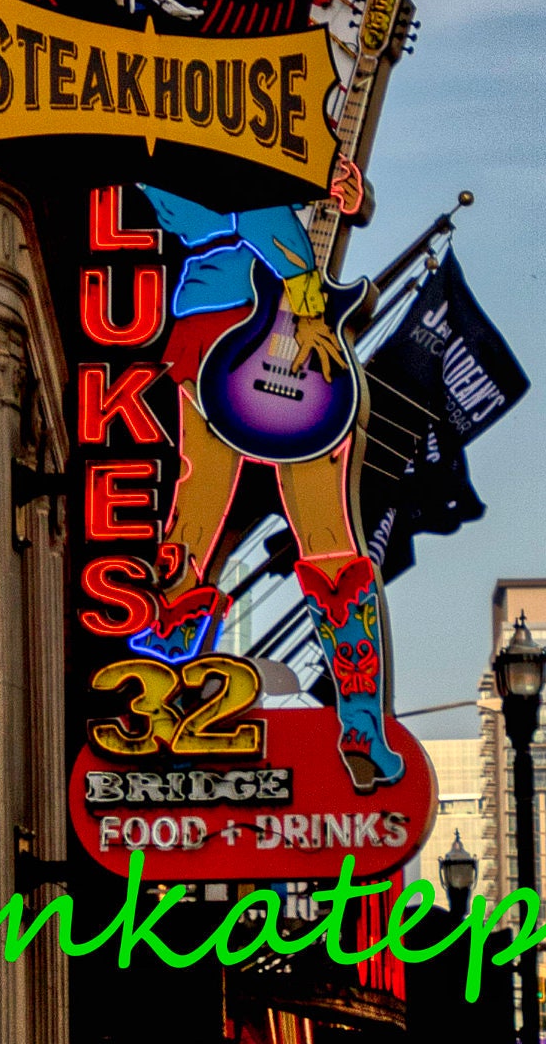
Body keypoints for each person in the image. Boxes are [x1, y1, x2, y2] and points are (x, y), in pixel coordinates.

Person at [137, 160, 404, 793]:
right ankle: (360, 721)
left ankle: (160, 710)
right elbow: (243, 211)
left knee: (195, 519)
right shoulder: (208, 130)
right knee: (328, 535)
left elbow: (280, 206)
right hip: (269, 333)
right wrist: (308, 293)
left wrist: (344, 194)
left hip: (208, 324)